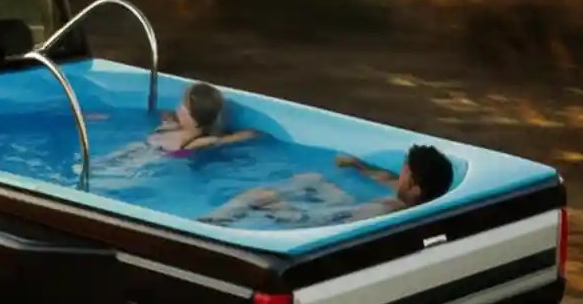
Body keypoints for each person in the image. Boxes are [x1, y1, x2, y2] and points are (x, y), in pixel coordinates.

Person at [199, 144, 455, 226]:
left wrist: (284, 210)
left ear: (415, 189)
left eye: (404, 171)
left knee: (259, 196)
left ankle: (208, 224)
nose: (398, 174)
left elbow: (335, 220)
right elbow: (385, 178)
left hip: (322, 219)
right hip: (349, 207)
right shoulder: (410, 198)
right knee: (314, 180)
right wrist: (358, 165)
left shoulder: (388, 210)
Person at [147, 82, 258, 155]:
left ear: (190, 115)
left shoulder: (197, 141)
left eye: (183, 103)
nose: (179, 105)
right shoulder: (173, 125)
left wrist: (247, 134)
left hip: (150, 161)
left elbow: (221, 141)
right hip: (142, 152)